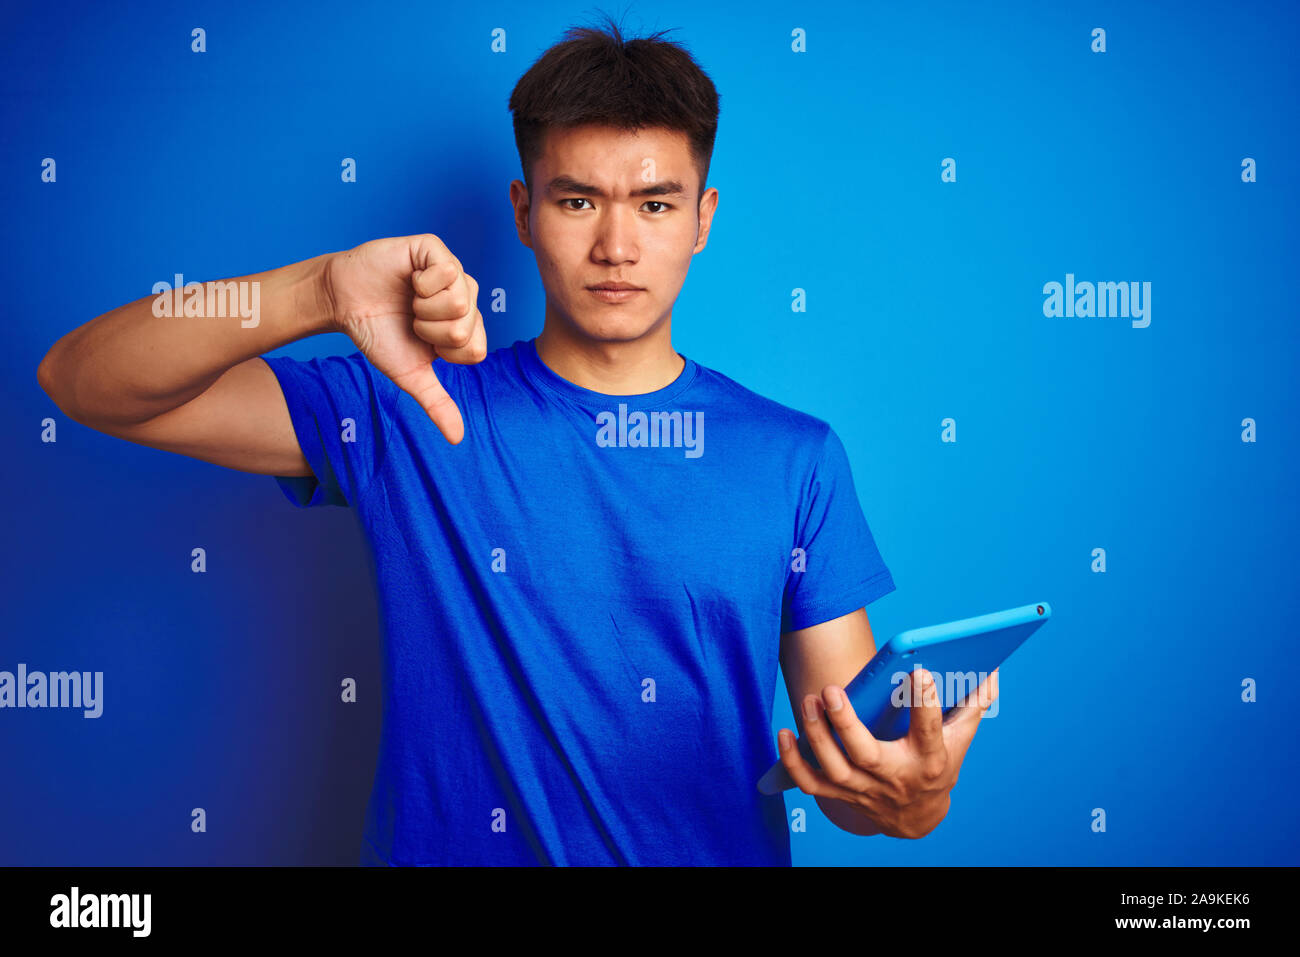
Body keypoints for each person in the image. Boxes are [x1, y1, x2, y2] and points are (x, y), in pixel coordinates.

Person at [36, 14, 996, 865]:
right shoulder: (404, 410)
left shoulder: (797, 458)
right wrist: (320, 291)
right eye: (578, 200)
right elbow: (85, 381)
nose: (616, 246)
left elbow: (852, 780)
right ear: (523, 213)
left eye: (655, 203)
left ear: (702, 219)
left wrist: (913, 799)